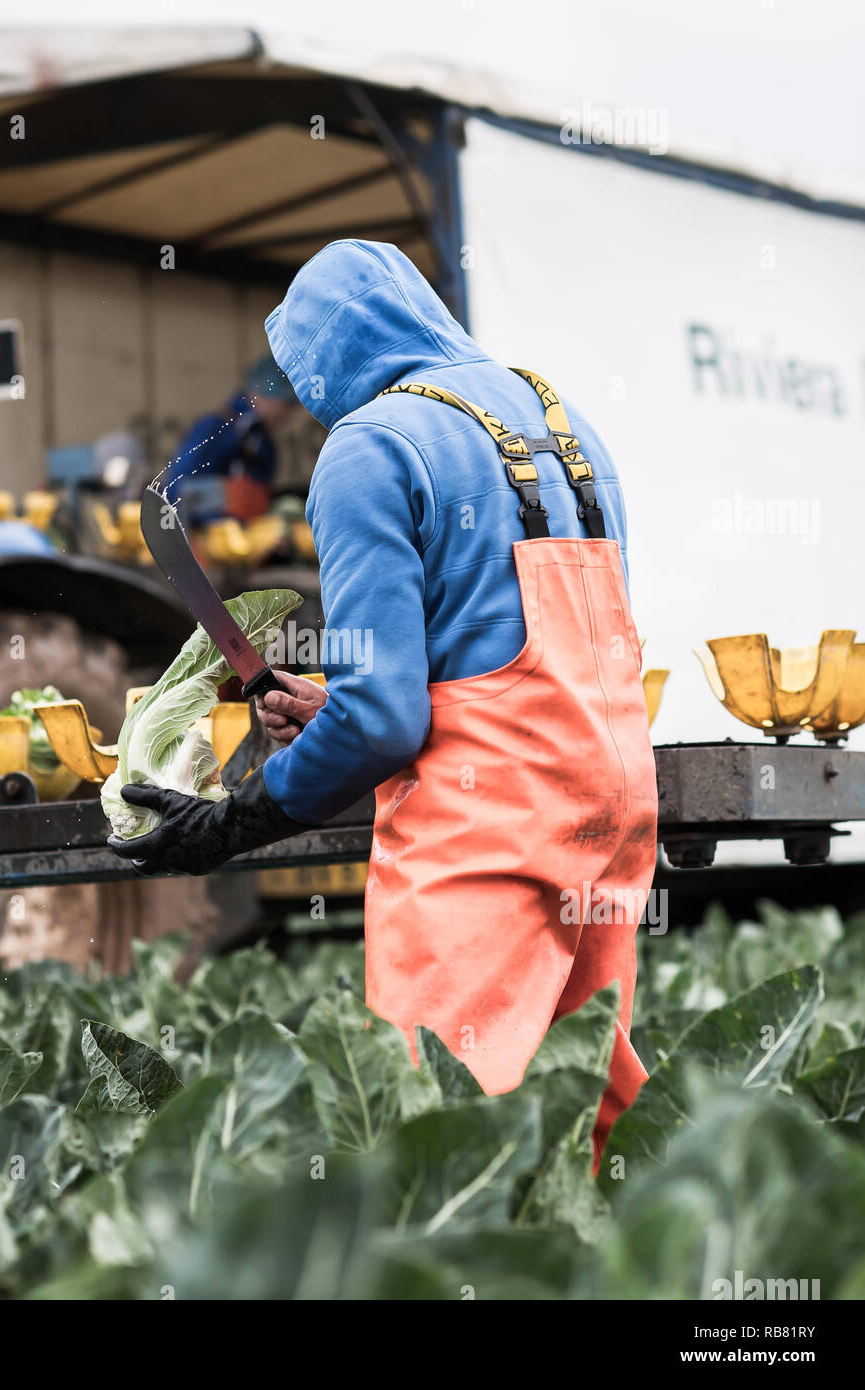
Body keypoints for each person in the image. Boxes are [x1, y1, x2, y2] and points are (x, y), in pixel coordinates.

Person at [111, 239, 658, 1161]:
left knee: (429, 1130)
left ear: (330, 353)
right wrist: (336, 702)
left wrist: (238, 820)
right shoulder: (564, 423)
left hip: (485, 836)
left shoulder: (372, 447)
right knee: (585, 1118)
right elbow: (525, 663)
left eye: (302, 367)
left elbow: (387, 722)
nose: (307, 395)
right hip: (606, 814)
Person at [160, 353, 298, 526]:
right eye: (286, 403)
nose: (289, 414)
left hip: (247, 546)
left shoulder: (265, 444)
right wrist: (222, 502)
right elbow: (175, 491)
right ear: (258, 393)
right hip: (202, 544)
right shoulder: (216, 427)